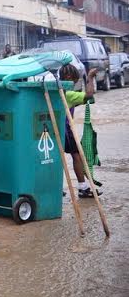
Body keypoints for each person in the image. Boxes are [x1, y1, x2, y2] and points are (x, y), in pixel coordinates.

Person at [59, 64, 99, 198]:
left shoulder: (56, 91)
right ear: (68, 77)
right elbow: (89, 95)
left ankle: (54, 187)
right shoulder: (68, 94)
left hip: (52, 129)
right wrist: (90, 77)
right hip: (65, 130)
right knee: (76, 155)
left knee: (54, 158)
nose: (75, 84)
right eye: (74, 81)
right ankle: (82, 187)